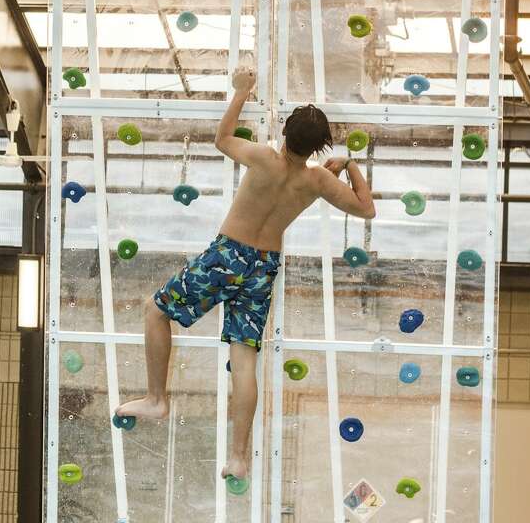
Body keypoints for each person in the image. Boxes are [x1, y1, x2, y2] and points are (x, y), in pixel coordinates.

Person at [114, 66, 377, 485]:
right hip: (264, 266)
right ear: (318, 146)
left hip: (228, 255)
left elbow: (221, 139)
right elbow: (366, 208)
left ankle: (157, 399)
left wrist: (241, 91)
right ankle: (239, 457)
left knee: (155, 310)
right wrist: (349, 165)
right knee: (244, 360)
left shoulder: (264, 158)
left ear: (285, 135)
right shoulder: (319, 180)